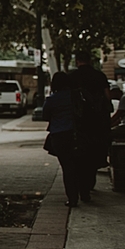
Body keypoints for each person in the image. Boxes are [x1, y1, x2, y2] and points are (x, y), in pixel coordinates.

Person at [69, 51, 112, 202]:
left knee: (80, 155)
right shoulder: (99, 76)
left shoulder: (72, 77)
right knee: (94, 153)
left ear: (77, 61)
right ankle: (90, 182)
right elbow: (107, 97)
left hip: (79, 123)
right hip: (97, 122)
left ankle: (82, 188)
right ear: (90, 60)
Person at [42, 71, 82, 208]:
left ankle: (72, 198)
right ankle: (84, 191)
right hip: (77, 134)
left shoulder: (52, 99)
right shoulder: (76, 96)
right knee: (79, 164)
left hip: (59, 135)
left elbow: (45, 116)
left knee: (67, 167)